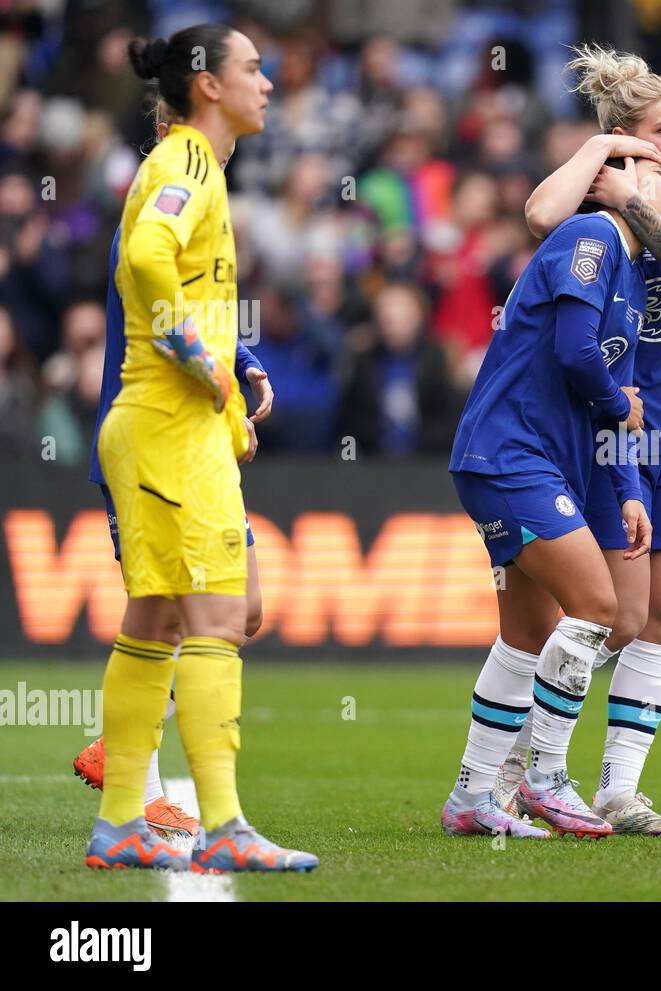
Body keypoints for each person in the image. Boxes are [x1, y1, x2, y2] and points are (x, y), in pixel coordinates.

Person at [86, 24, 315, 872]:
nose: (268, 78)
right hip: (168, 425)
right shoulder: (187, 162)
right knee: (219, 618)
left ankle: (118, 825)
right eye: (253, 67)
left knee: (154, 623)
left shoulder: (193, 167)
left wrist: (228, 364)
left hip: (157, 423)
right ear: (208, 84)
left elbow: (162, 266)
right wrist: (190, 352)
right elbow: (145, 252)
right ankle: (223, 826)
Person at [501, 44, 661, 835]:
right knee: (616, 616)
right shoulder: (596, 205)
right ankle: (524, 765)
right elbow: (539, 214)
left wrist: (638, 201)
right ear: (625, 139)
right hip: (613, 426)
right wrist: (603, 163)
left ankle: (618, 791)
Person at [442, 153, 661, 838]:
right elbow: (580, 357)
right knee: (599, 605)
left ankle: (471, 796)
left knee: (524, 635)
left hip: (531, 460)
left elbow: (617, 407)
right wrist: (618, 400)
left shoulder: (629, 272)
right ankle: (545, 777)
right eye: (659, 169)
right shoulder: (593, 237)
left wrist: (629, 491)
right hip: (510, 453)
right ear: (616, 176)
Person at [70, 97, 275, 840]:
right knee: (179, 613)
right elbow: (150, 299)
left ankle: (126, 770)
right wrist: (211, 374)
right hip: (156, 432)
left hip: (193, 435)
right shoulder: (173, 177)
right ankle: (146, 783)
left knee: (233, 609)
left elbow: (192, 306)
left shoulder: (204, 196)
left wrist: (240, 362)